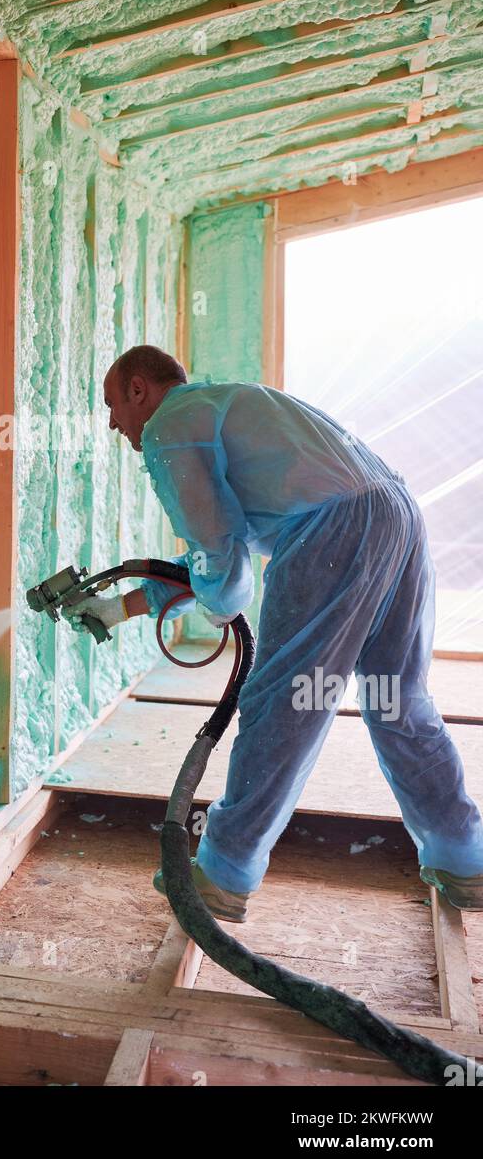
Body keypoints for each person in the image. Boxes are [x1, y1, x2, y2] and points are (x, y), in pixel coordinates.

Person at [66, 344, 483, 921]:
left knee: (284, 698)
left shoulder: (170, 427)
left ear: (140, 389)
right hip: (395, 514)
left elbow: (219, 560)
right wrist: (121, 609)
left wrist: (216, 603)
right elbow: (218, 551)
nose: (113, 422)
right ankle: (465, 858)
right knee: (397, 696)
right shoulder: (229, 404)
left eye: (112, 404)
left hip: (334, 529)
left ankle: (225, 871)